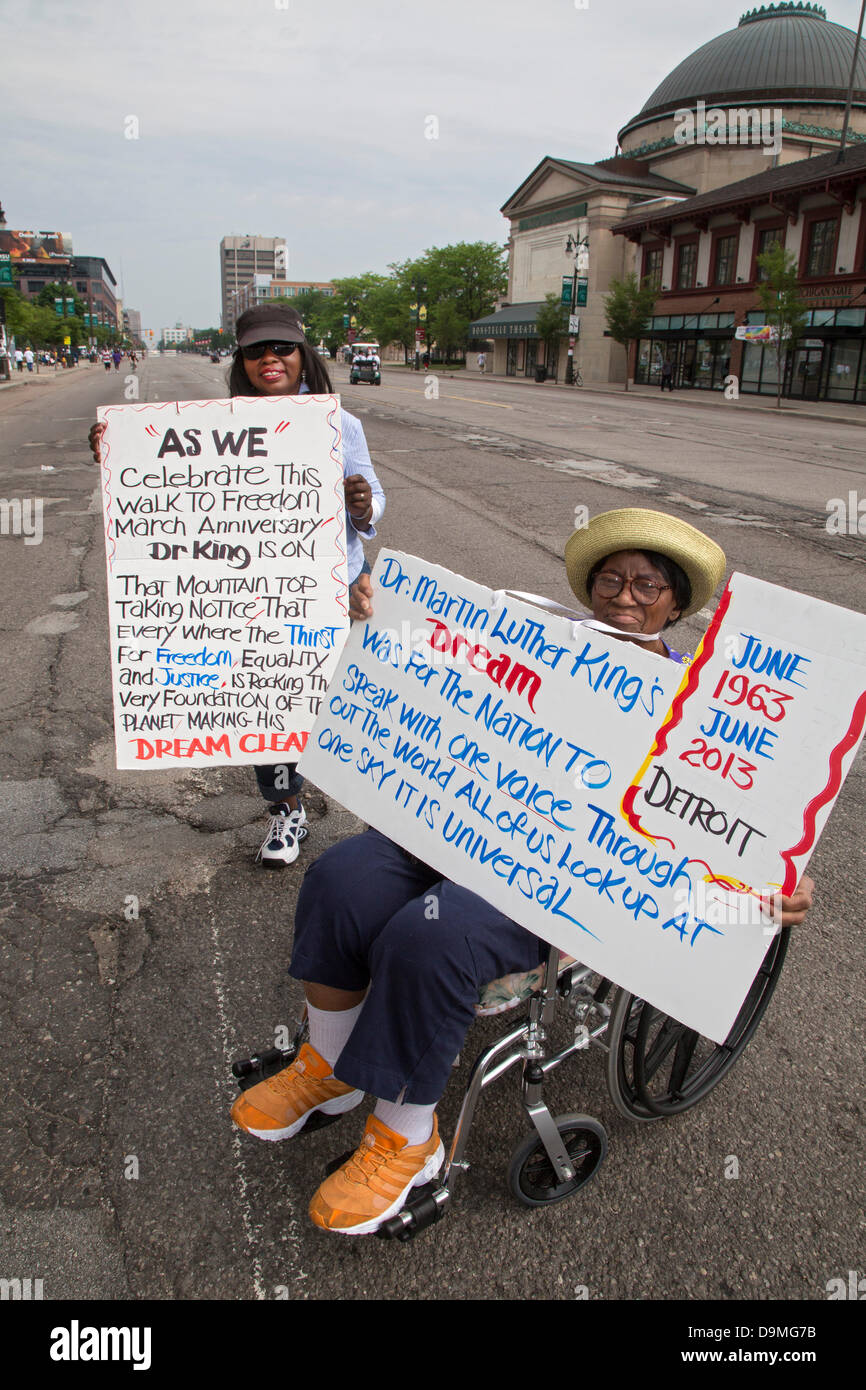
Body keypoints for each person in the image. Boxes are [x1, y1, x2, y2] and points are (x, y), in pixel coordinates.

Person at [231, 508, 815, 1236]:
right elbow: (424, 668)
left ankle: (409, 1140)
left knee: (431, 938)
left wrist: (767, 892)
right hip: (457, 825)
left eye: (647, 585)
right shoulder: (536, 646)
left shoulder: (695, 706)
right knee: (339, 879)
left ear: (678, 603)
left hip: (567, 877)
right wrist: (370, 621)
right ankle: (333, 1066)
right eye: (610, 579)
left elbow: (736, 833)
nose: (625, 596)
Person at [88, 304, 384, 869]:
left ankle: (382, 825)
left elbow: (369, 489)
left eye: (282, 349)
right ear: (242, 360)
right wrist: (114, 449)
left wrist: (365, 505)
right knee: (271, 711)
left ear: (304, 357)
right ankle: (285, 811)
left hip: (331, 587)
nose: (269, 359)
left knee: (348, 706)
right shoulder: (213, 422)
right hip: (250, 597)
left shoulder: (341, 425)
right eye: (256, 351)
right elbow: (153, 480)